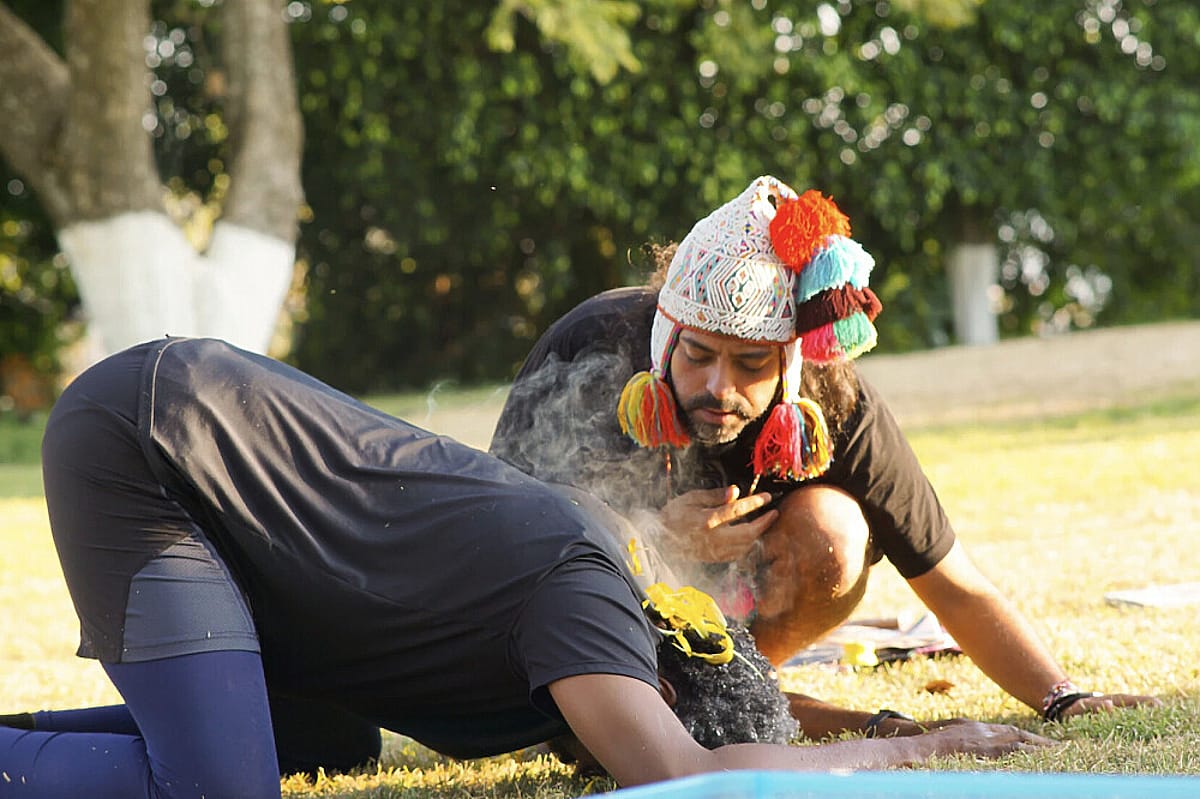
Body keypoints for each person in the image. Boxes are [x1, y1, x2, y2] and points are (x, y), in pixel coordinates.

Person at [0, 336, 1050, 799]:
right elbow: (683, 771)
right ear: (658, 687)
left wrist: (866, 722)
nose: (601, 749)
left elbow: (710, 724)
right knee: (222, 791)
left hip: (216, 449)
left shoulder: (623, 590)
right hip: (146, 448)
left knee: (331, 743)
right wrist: (928, 747)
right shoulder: (589, 614)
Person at [490, 175, 1160, 737]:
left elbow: (952, 581)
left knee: (836, 529)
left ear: (789, 364)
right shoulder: (595, 345)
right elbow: (504, 530)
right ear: (666, 336)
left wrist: (1062, 699)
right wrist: (650, 540)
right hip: (587, 626)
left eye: (750, 362)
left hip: (734, 617)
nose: (718, 387)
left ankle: (748, 685)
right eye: (696, 355)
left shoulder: (834, 398)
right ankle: (769, 712)